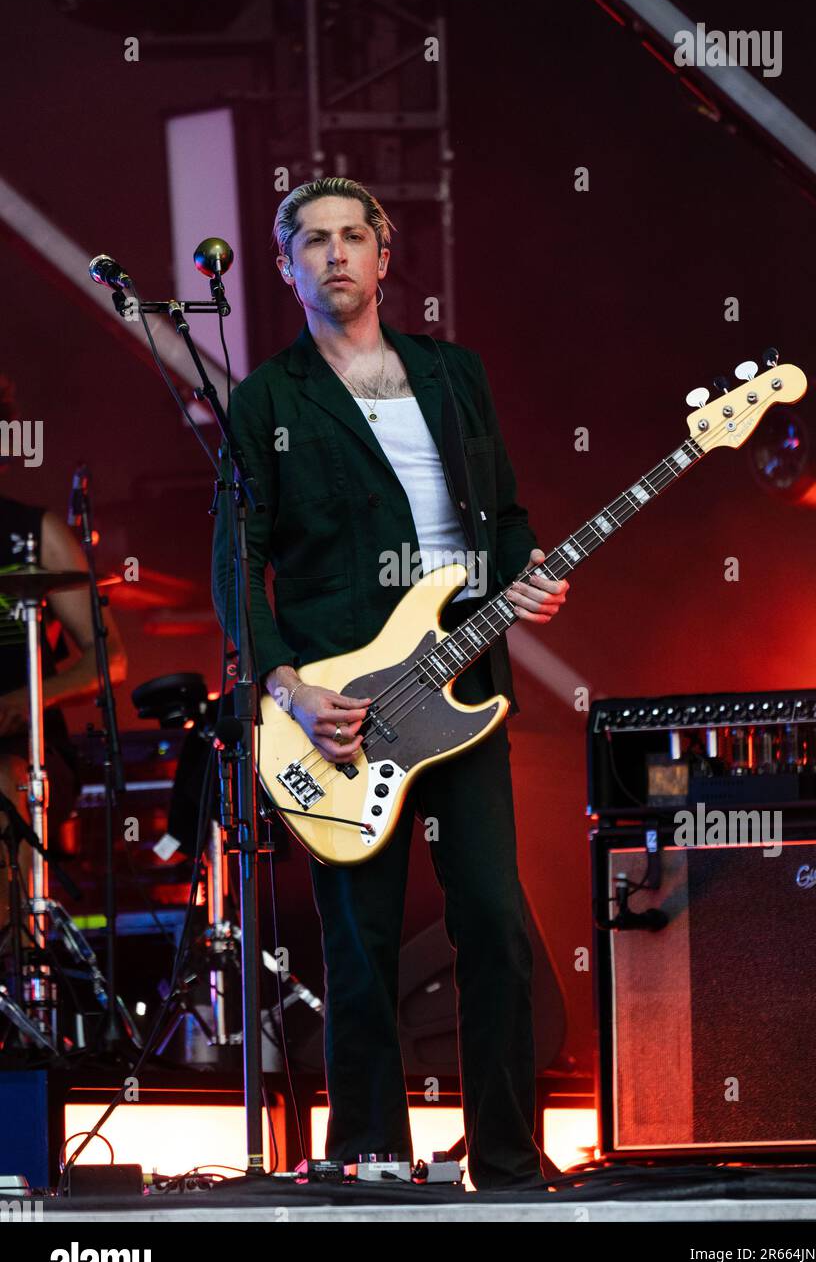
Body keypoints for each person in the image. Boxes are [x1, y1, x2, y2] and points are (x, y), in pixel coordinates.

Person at [212, 176, 568, 1189]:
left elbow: (501, 513)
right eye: (310, 240)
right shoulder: (267, 399)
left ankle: (505, 1160)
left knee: (492, 919)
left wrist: (524, 575)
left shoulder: (452, 375)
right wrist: (286, 687)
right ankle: (368, 1155)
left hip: (457, 682)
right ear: (285, 267)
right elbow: (238, 563)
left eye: (350, 236)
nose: (333, 253)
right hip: (342, 708)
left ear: (382, 253)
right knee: (360, 941)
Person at [0, 376, 127, 945]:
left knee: (3, 781)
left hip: (24, 752)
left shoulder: (34, 533)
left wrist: (28, 699)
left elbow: (110, 659)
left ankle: (21, 964)